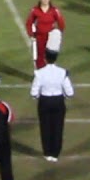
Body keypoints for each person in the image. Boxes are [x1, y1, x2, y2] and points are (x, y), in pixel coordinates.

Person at [29, 34, 73, 162]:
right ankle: (55, 153)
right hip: (58, 101)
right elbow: (70, 92)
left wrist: (39, 97)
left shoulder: (40, 73)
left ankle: (47, 152)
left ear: (45, 58)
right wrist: (63, 96)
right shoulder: (62, 72)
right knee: (58, 127)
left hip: (44, 101)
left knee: (45, 127)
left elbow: (33, 92)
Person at [24, 0, 65, 69]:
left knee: (51, 57)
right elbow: (29, 23)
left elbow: (61, 23)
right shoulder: (35, 10)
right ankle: (41, 72)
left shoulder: (54, 10)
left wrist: (59, 33)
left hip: (51, 37)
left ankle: (50, 73)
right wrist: (31, 34)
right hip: (40, 37)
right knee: (40, 57)